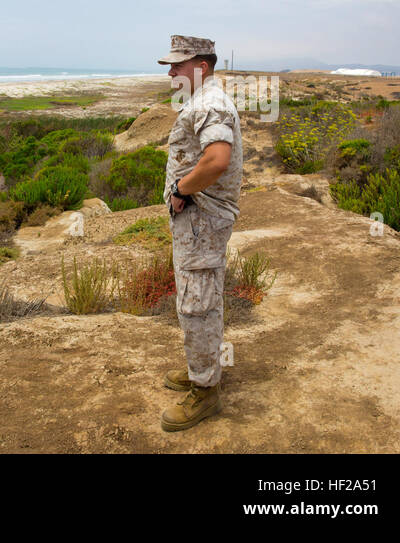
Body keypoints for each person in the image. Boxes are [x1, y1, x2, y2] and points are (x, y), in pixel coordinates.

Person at [156, 35, 243, 432]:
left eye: (177, 66)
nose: (171, 73)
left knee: (197, 301)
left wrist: (180, 190)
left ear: (201, 67)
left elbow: (216, 160)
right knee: (201, 296)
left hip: (202, 222)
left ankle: (206, 392)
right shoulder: (204, 100)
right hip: (198, 221)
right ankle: (201, 370)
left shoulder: (210, 103)